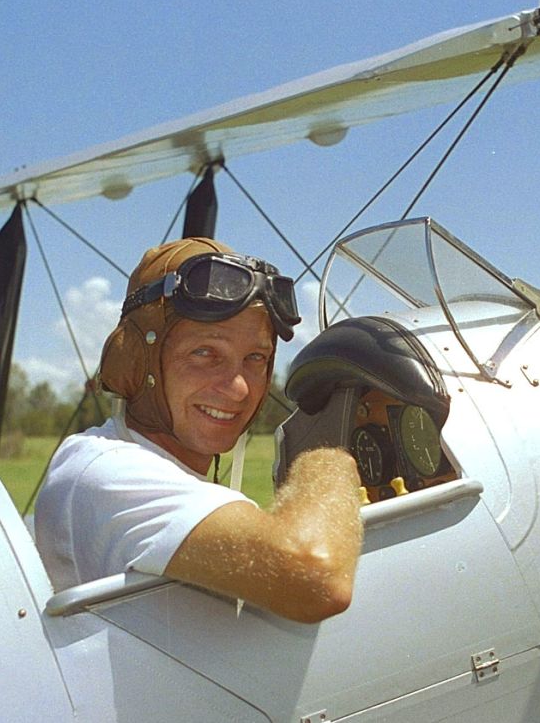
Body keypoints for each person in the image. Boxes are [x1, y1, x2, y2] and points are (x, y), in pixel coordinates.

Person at [35, 237, 363, 623]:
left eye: (255, 358)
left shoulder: (134, 465)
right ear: (136, 360)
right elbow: (316, 575)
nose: (239, 388)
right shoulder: (103, 471)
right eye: (205, 353)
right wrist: (331, 460)